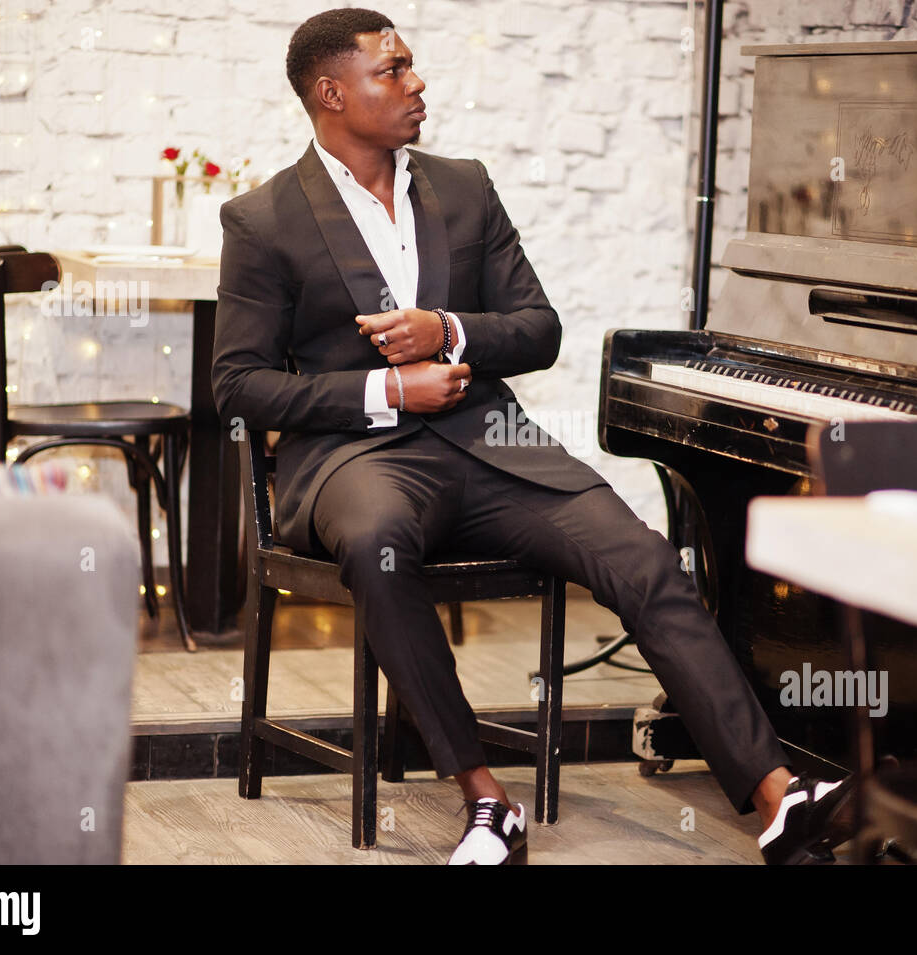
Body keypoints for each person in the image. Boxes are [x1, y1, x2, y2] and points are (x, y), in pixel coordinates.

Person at [212, 7, 851, 865]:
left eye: (412, 66)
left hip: (495, 443)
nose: (417, 82)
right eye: (392, 70)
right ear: (332, 93)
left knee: (644, 557)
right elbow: (239, 386)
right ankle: (485, 798)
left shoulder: (464, 186)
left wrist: (448, 328)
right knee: (377, 546)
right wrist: (388, 386)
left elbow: (538, 329)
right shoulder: (263, 220)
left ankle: (778, 799)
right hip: (356, 459)